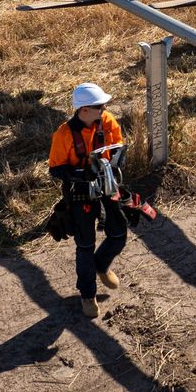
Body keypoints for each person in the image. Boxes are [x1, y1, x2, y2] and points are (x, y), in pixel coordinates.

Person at [49, 83, 130, 319]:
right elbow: (55, 169)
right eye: (99, 106)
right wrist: (81, 174)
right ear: (83, 110)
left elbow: (118, 149)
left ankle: (100, 265)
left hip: (107, 186)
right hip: (79, 193)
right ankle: (87, 294)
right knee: (85, 245)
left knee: (118, 233)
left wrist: (114, 165)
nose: (104, 108)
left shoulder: (108, 121)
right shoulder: (64, 134)